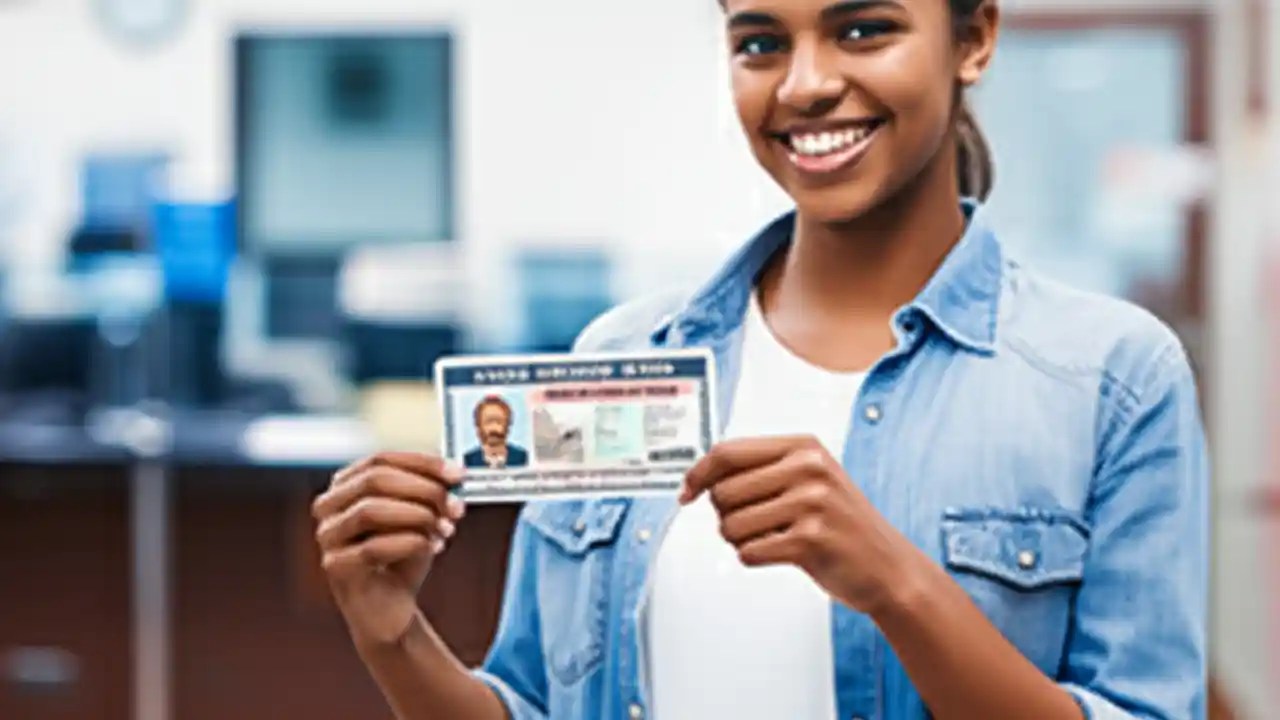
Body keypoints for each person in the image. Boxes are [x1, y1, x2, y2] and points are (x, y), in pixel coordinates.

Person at [311, 0, 1208, 718]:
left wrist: (896, 586)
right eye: (761, 43)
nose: (806, 85)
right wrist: (392, 633)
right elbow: (535, 705)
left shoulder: (1112, 381)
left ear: (972, 38)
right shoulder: (619, 357)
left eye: (865, 29)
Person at [463, 395, 529, 470]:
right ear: (478, 425)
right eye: (488, 422)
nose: (493, 428)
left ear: (508, 424)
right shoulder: (469, 460)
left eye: (498, 421)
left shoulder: (522, 457)